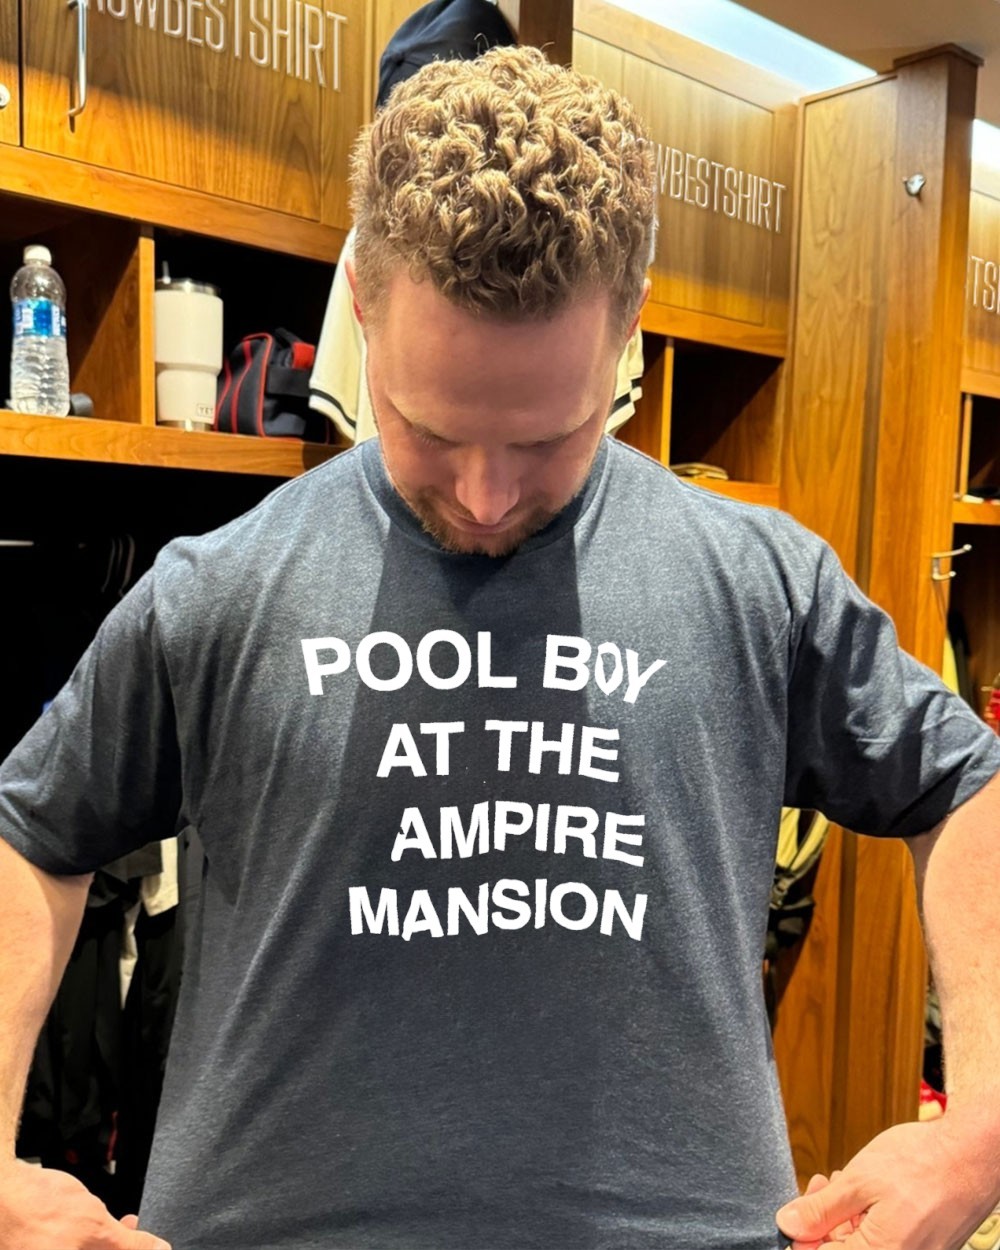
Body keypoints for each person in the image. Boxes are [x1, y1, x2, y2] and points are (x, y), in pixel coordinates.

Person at [1, 44, 999, 1250]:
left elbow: (965, 782)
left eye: (545, 439)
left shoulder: (760, 583)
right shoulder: (217, 592)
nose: (483, 496)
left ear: (627, 324)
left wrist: (980, 1126)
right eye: (427, 429)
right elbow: (31, 828)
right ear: (361, 301)